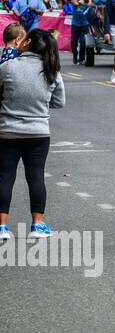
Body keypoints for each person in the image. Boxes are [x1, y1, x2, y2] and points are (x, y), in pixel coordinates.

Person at [0, 29, 64, 242]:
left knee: (5, 177)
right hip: (38, 133)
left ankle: (2, 226)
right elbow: (58, 102)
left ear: (26, 43)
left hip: (7, 132)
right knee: (36, 176)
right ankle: (37, 224)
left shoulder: (8, 67)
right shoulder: (52, 70)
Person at [68, 0, 92, 65]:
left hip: (84, 23)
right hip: (75, 23)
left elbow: (89, 3)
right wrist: (80, 1)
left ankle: (81, 58)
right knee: (73, 43)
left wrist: (83, 2)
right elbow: (75, 3)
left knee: (83, 42)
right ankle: (75, 54)